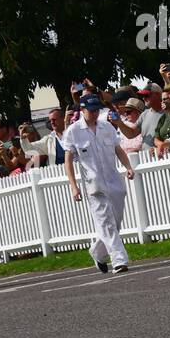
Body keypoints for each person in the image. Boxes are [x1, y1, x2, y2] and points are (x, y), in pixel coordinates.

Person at [63, 94, 135, 274]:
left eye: (97, 110)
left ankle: (98, 252)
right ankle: (119, 260)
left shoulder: (106, 128)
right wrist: (74, 186)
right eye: (91, 110)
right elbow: (68, 161)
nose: (95, 114)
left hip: (113, 180)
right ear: (83, 110)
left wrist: (128, 166)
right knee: (107, 223)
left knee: (116, 222)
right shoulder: (73, 131)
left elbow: (118, 149)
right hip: (93, 185)